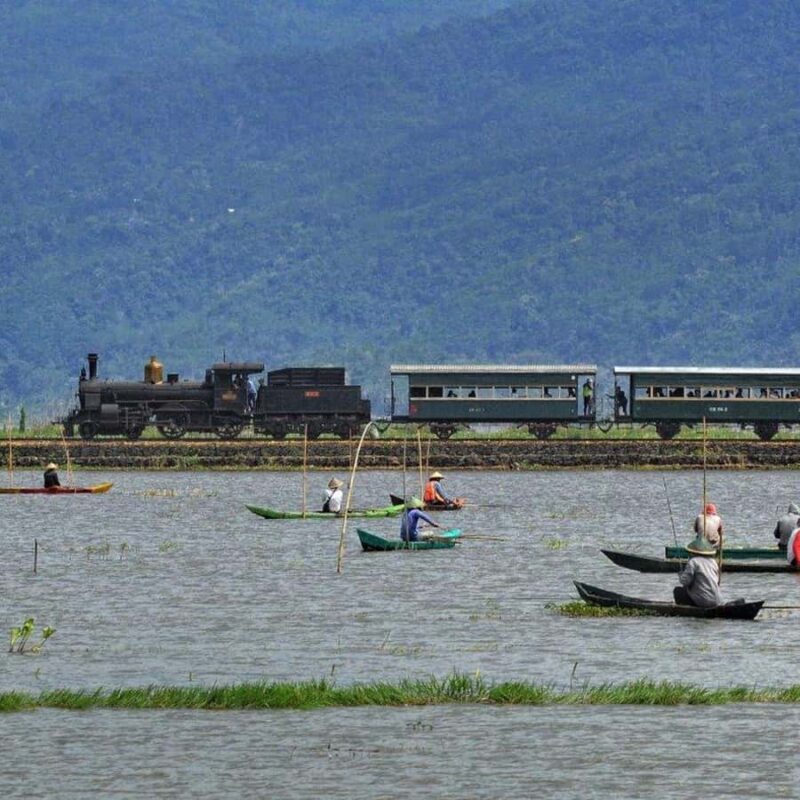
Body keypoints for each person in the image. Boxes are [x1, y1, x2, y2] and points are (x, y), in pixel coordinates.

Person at [674, 535, 722, 607]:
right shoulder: (713, 562)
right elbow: (717, 580)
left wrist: (681, 575)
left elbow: (685, 582)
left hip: (703, 601)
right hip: (717, 601)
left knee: (677, 591)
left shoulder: (693, 561)